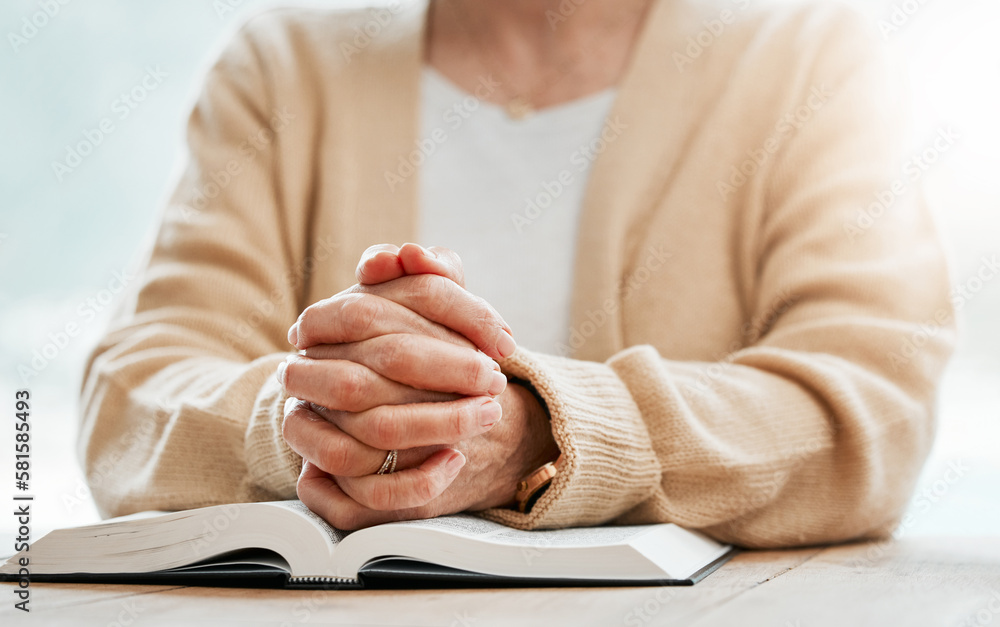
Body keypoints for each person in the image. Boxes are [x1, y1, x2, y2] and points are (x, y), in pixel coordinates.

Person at [80, 0, 955, 548]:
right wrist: (324, 422)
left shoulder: (810, 57)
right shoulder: (280, 68)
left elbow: (872, 405)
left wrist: (539, 434)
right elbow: (133, 394)